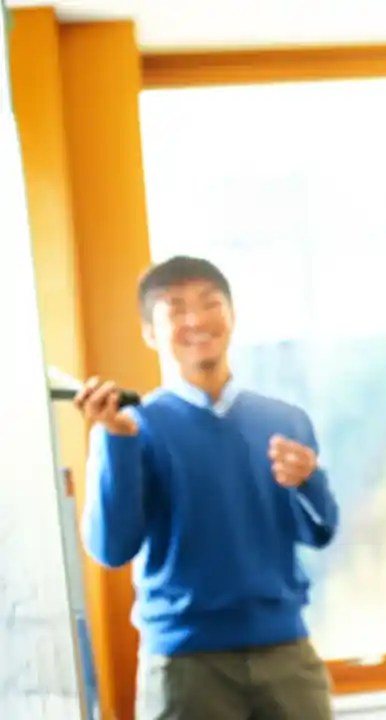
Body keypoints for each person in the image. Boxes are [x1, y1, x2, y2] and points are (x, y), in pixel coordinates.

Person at [75, 255, 339, 720]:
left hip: (287, 655)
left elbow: (319, 530)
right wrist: (116, 442)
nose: (195, 319)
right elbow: (112, 549)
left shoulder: (285, 421)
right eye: (174, 309)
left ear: (232, 317)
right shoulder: (132, 426)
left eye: (209, 303)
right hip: (185, 667)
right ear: (150, 333)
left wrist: (311, 480)